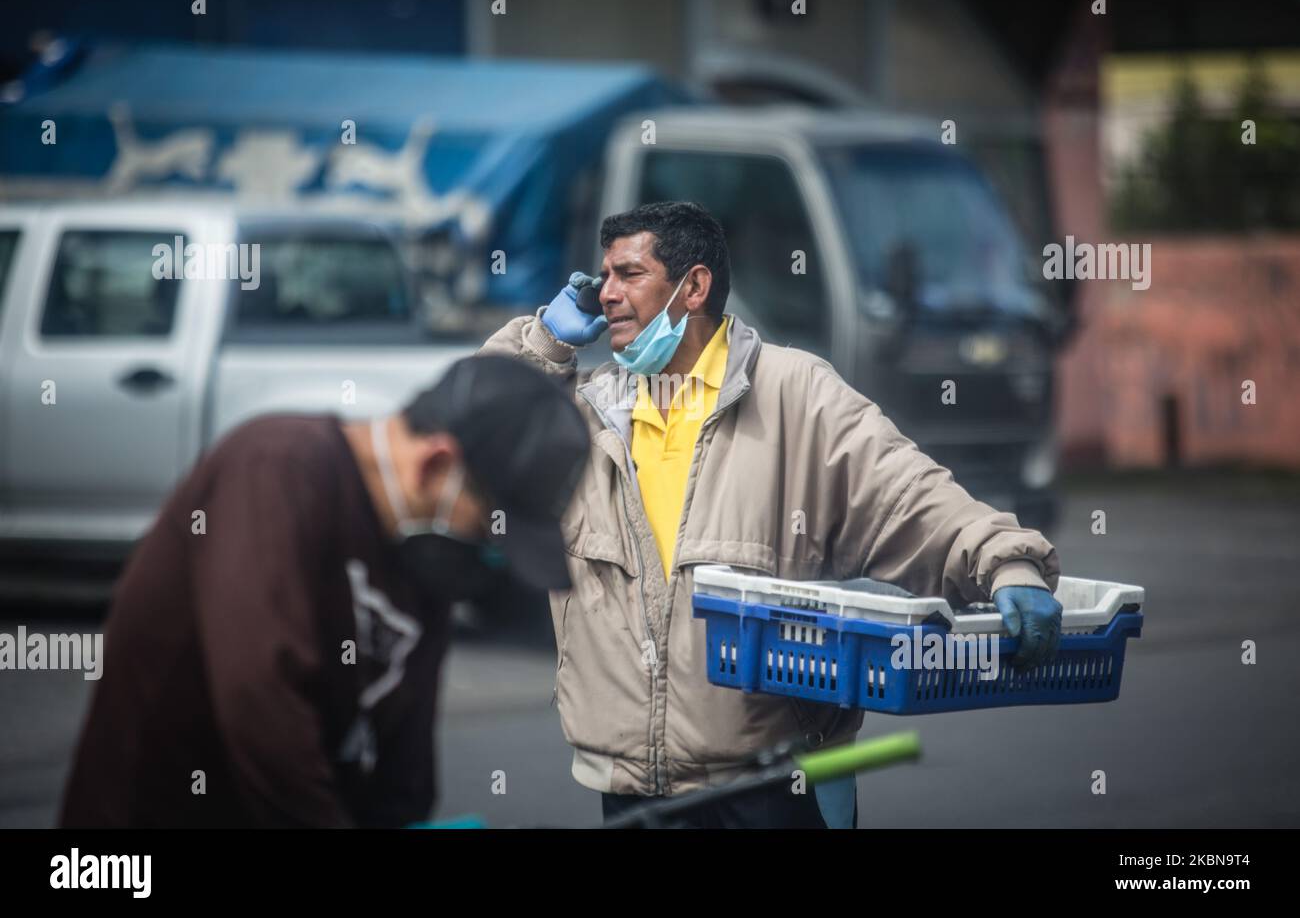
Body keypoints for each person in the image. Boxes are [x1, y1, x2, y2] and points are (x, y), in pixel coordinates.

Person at [481, 200, 1063, 829]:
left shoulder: (795, 393)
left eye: (628, 275)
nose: (605, 297)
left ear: (694, 286)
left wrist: (1007, 563)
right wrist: (544, 344)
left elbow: (908, 492)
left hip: (771, 788)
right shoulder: (589, 409)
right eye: (604, 278)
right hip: (628, 793)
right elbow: (470, 429)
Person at [59, 354, 588, 828]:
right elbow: (261, 702)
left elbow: (405, 749)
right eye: (487, 530)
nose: (486, 555)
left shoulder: (424, 549)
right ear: (436, 465)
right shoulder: (277, 466)